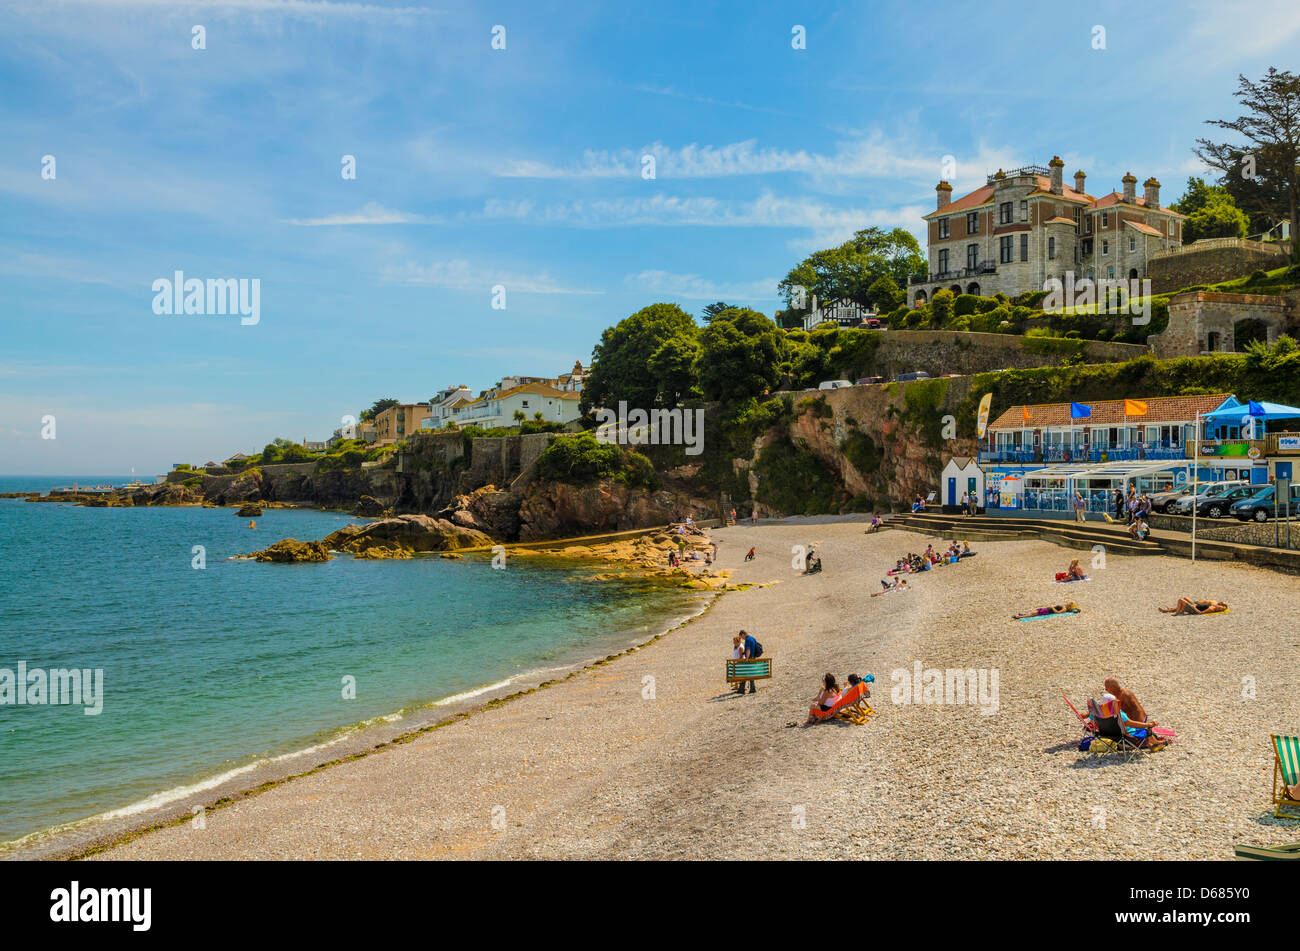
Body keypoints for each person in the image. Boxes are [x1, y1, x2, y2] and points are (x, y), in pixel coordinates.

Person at [1159, 597, 1228, 615]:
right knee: (1185, 598)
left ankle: (1177, 612)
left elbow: (1201, 613)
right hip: (1197, 605)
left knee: (1181, 600)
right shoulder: (1215, 603)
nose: (1221, 602)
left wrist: (1194, 607)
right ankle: (1171, 609)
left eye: (1222, 604)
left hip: (1196, 608)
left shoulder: (1213, 607)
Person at [1012, 601, 1078, 620]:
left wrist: (1052, 608)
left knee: (1032, 614)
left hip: (1047, 611)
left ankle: (1019, 617)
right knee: (1033, 613)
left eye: (1069, 603)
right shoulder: (1064, 607)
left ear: (1069, 606)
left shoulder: (1064, 609)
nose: (1067, 602)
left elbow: (1057, 612)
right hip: (1047, 609)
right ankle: (1022, 615)